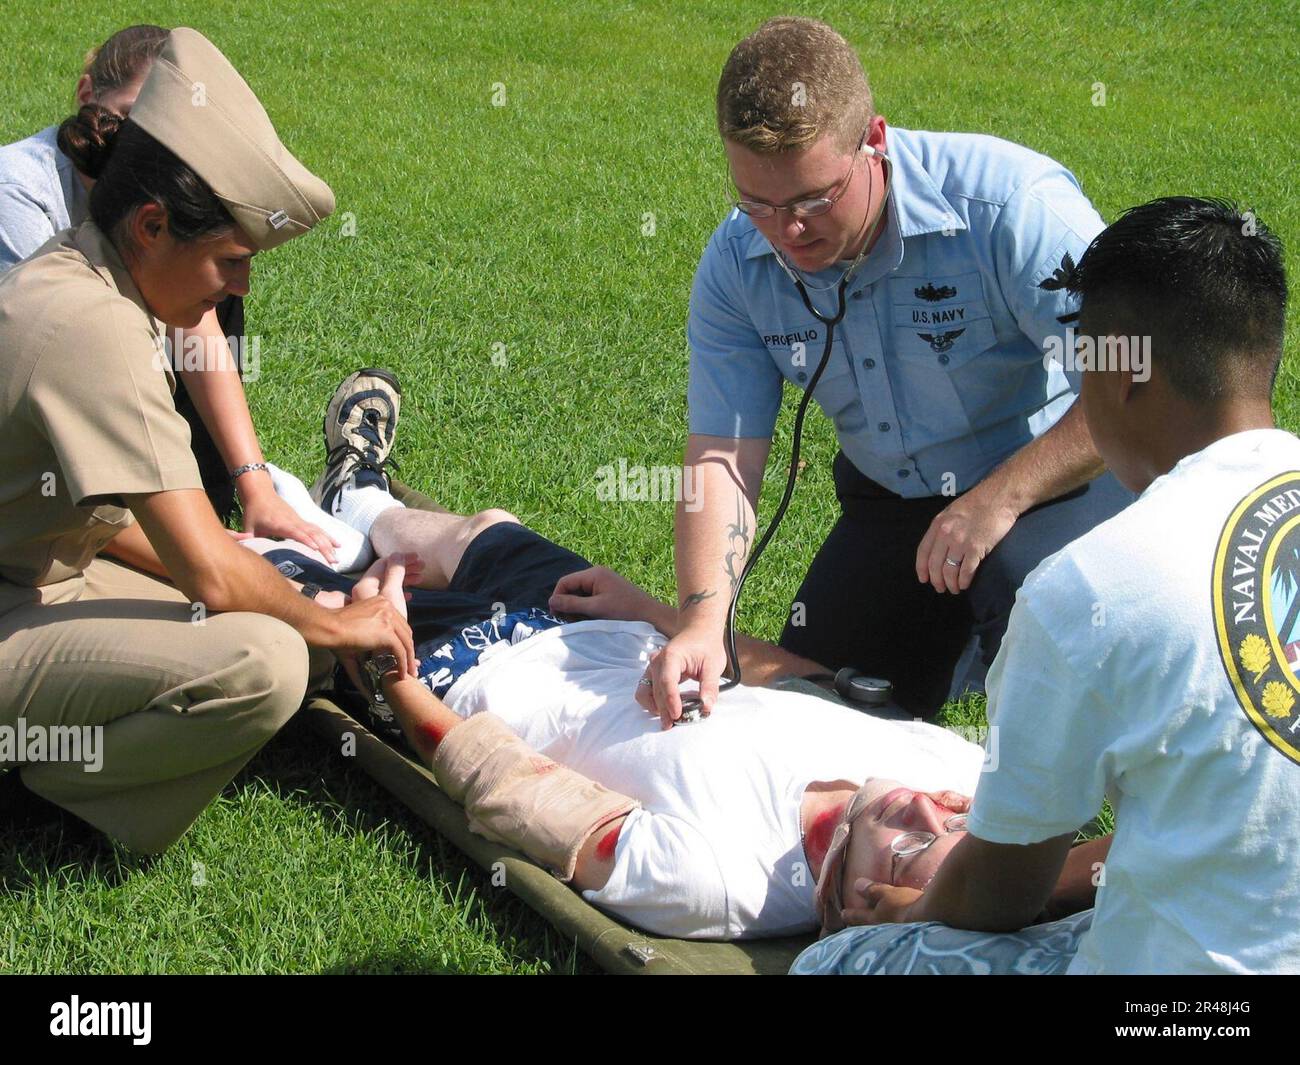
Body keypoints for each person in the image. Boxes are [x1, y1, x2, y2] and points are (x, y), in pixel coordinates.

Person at [226, 383, 1107, 941]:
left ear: (858, 909)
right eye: (953, 820)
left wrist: (392, 676)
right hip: (607, 631)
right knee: (481, 531)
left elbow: (514, 791)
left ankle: (266, 505)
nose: (929, 807)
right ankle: (361, 495)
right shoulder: (954, 771)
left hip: (467, 666)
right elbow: (801, 679)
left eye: (914, 848)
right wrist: (659, 614)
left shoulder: (717, 882)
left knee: (282, 570)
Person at [800, 197, 1300, 974]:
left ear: (1127, 374)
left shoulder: (1092, 587)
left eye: (1081, 366)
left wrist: (913, 909)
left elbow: (1001, 892)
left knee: (837, 963)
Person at [646, 16, 1135, 725]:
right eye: (758, 203)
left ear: (874, 141)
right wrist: (699, 617)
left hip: (1060, 477)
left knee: (1036, 621)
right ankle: (960, 645)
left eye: (815, 198)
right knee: (822, 700)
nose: (788, 231)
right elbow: (723, 454)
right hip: (894, 499)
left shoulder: (1010, 206)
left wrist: (998, 498)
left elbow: (1130, 381)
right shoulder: (735, 265)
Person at [0, 29, 414, 854]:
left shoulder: (88, 273)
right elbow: (204, 569)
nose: (242, 286)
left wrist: (288, 589)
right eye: (230, 259)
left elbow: (123, 525)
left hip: (41, 578)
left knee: (280, 621)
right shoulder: (98, 329)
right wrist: (336, 622)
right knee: (266, 661)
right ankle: (46, 780)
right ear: (151, 225)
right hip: (24, 596)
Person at [0, 24, 338, 553]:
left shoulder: (154, 230)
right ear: (89, 99)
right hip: (37, 493)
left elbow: (197, 332)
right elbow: (60, 404)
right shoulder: (19, 195)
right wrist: (207, 554)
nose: (155, 149)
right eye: (138, 121)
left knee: (208, 284)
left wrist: (256, 486)